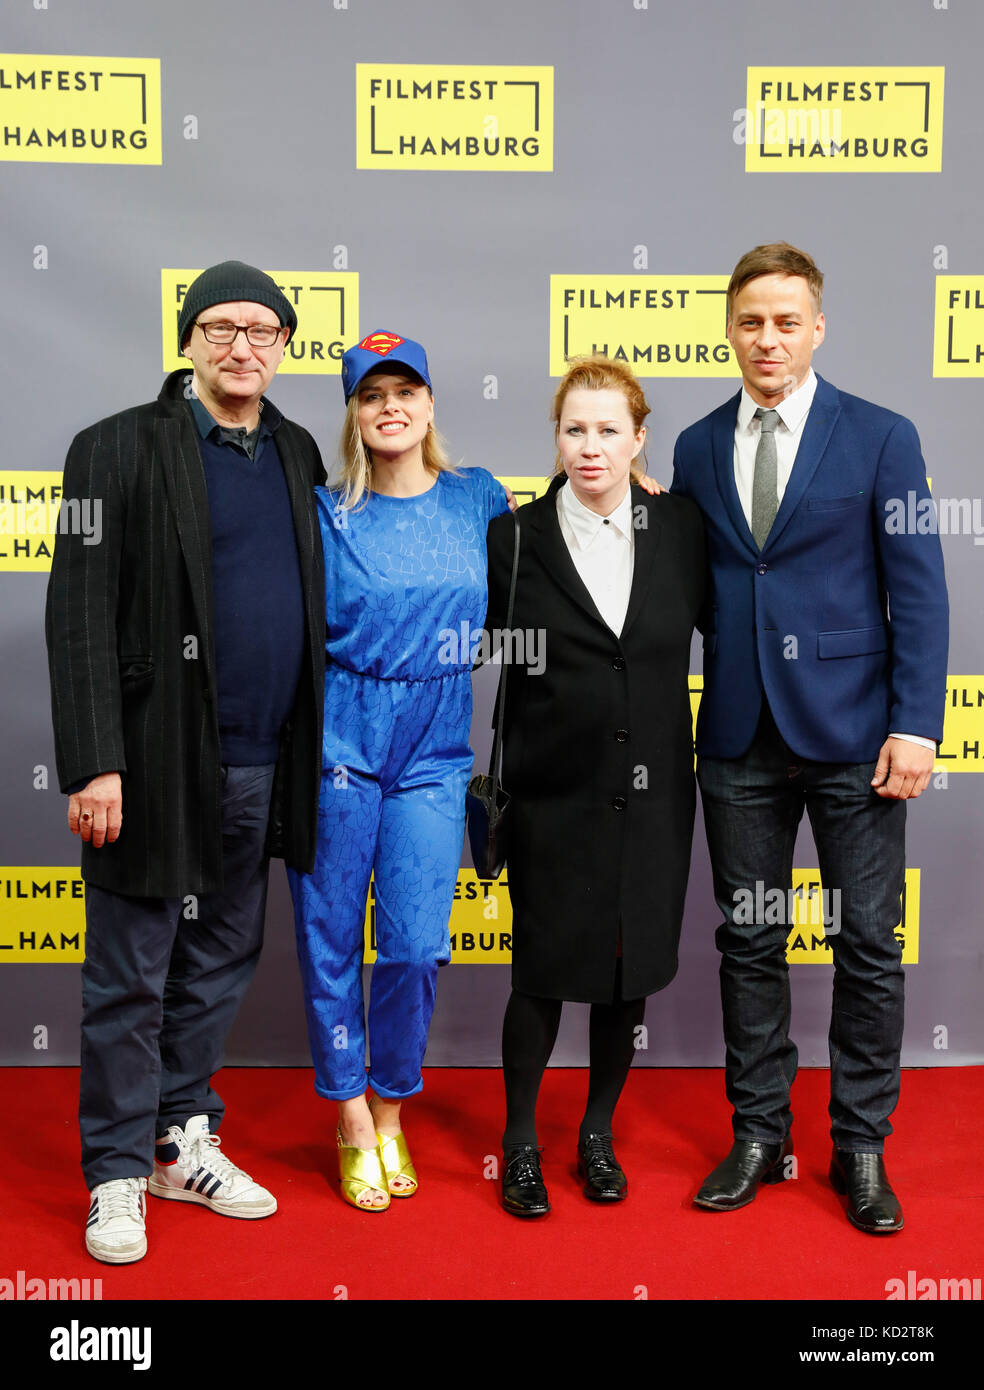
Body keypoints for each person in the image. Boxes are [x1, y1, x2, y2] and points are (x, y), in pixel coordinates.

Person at [45, 261, 326, 1263]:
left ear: (284, 343)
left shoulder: (297, 451)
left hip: (264, 761)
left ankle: (179, 1138)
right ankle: (116, 1171)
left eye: (263, 329)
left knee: (218, 962)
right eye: (220, 326)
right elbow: (77, 612)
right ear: (189, 338)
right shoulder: (114, 446)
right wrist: (93, 762)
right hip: (150, 764)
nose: (242, 345)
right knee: (131, 975)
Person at [671, 242, 948, 1233]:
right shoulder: (698, 446)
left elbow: (919, 589)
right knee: (750, 939)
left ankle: (861, 1146)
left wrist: (919, 723)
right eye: (752, 320)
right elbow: (689, 589)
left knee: (867, 945)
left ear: (817, 327)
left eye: (787, 320)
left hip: (856, 737)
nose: (768, 338)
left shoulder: (882, 435)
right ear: (730, 329)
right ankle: (760, 1135)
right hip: (739, 738)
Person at [288, 330, 511, 1212]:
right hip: (343, 737)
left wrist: (632, 492)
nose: (391, 405)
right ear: (353, 411)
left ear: (428, 402)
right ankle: (347, 1115)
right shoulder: (322, 511)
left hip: (435, 743)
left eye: (405, 389)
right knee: (331, 932)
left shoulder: (478, 496)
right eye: (371, 393)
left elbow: (565, 544)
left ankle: (389, 1105)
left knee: (417, 942)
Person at [484, 355, 705, 1217]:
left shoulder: (680, 528)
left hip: (653, 800)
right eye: (575, 428)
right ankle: (520, 1145)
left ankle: (598, 1134)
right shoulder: (513, 537)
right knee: (539, 975)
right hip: (551, 796)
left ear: (639, 439)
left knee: (627, 974)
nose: (590, 446)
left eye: (609, 429)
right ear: (556, 439)